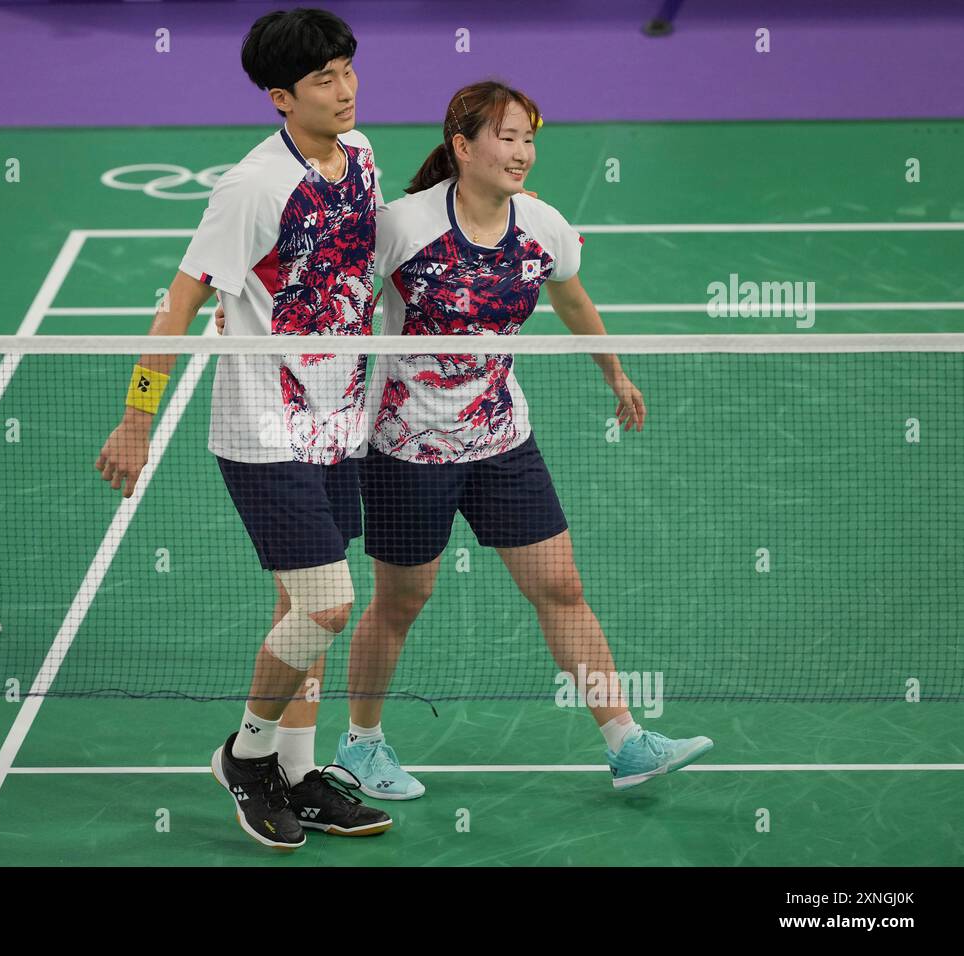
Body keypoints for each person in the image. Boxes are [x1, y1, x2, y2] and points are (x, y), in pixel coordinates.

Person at [332, 81, 714, 800]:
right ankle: (360, 745)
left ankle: (625, 741)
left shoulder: (541, 225)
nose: (521, 152)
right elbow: (336, 304)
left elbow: (572, 297)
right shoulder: (402, 227)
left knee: (561, 588)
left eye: (529, 139)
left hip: (502, 438)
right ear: (463, 147)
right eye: (507, 137)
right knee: (401, 603)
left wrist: (616, 374)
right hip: (407, 449)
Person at [96, 8, 390, 850]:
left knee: (301, 607)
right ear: (278, 96)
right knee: (330, 604)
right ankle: (247, 753)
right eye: (323, 80)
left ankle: (296, 773)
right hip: (263, 428)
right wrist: (135, 418)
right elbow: (179, 306)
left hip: (337, 420)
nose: (344, 90)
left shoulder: (360, 155)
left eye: (346, 70)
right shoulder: (254, 188)